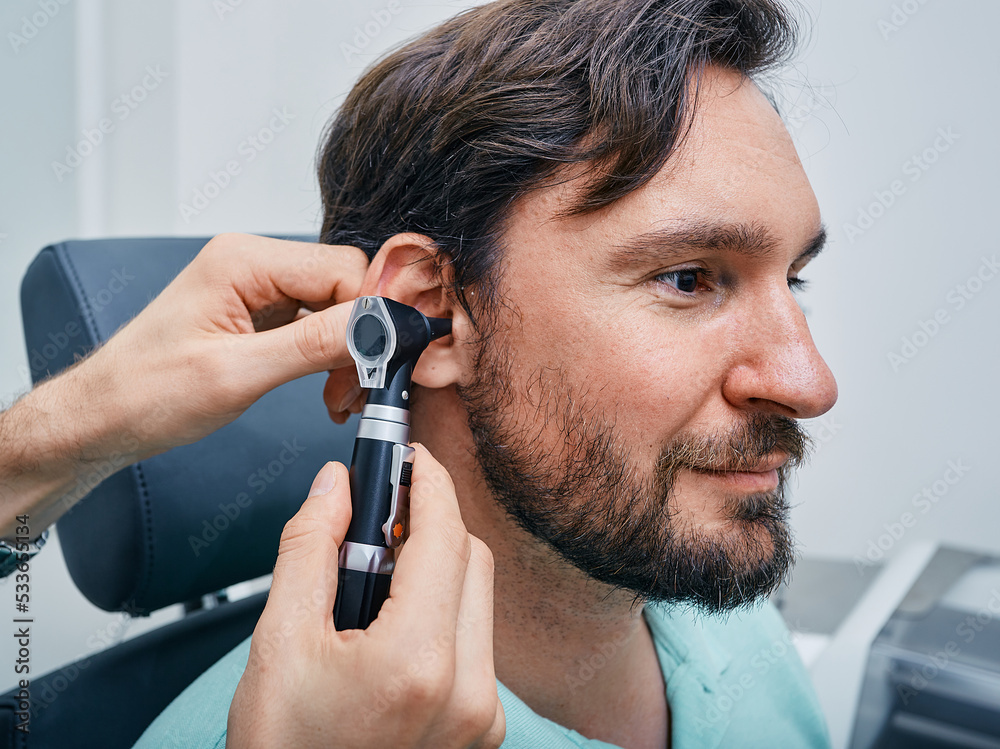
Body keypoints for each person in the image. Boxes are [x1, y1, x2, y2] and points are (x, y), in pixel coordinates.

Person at [12, 0, 840, 745]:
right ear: (434, 314)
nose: (810, 382)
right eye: (690, 277)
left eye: (794, 278)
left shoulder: (714, 606)